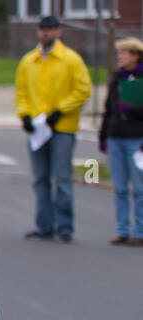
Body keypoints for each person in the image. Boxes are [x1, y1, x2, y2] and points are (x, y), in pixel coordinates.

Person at [15, 15, 91, 243]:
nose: (45, 33)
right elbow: (22, 93)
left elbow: (82, 91)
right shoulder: (29, 61)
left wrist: (61, 110)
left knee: (62, 178)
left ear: (59, 31)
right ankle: (44, 225)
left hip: (62, 127)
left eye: (50, 29)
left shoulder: (71, 59)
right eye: (42, 29)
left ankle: (65, 226)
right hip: (38, 131)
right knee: (40, 178)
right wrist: (25, 115)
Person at [100, 37, 143, 246]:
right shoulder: (116, 79)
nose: (119, 57)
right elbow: (108, 110)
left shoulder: (141, 78)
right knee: (120, 188)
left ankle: (140, 231)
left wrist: (132, 109)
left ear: (135, 55)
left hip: (137, 140)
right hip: (116, 137)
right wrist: (103, 135)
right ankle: (122, 229)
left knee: (139, 188)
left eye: (123, 53)